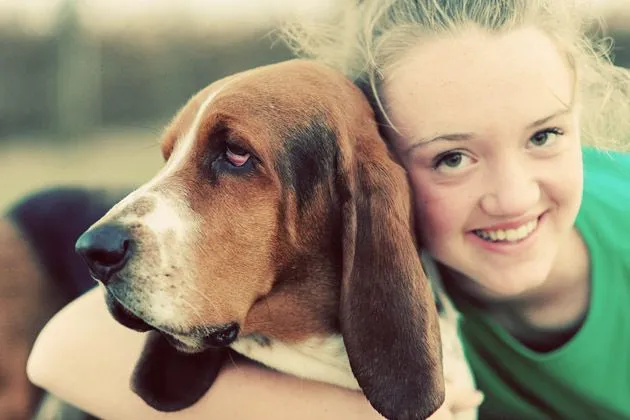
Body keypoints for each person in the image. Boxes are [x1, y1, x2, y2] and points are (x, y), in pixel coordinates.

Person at [26, 0, 630, 418]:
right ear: (390, 176)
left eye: (545, 135)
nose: (513, 196)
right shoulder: (420, 245)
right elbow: (60, 351)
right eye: (451, 158)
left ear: (583, 119)